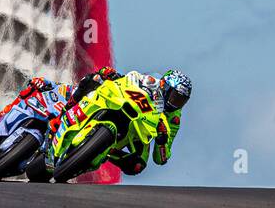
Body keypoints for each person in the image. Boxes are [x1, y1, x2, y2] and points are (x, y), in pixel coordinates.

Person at [50, 67, 193, 176]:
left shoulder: (174, 118)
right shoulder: (151, 82)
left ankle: (106, 152)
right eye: (175, 97)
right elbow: (129, 79)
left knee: (138, 166)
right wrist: (110, 74)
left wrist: (162, 140)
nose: (175, 103)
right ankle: (65, 111)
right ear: (165, 86)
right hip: (126, 104)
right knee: (93, 79)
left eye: (181, 101)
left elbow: (161, 159)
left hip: (141, 129)